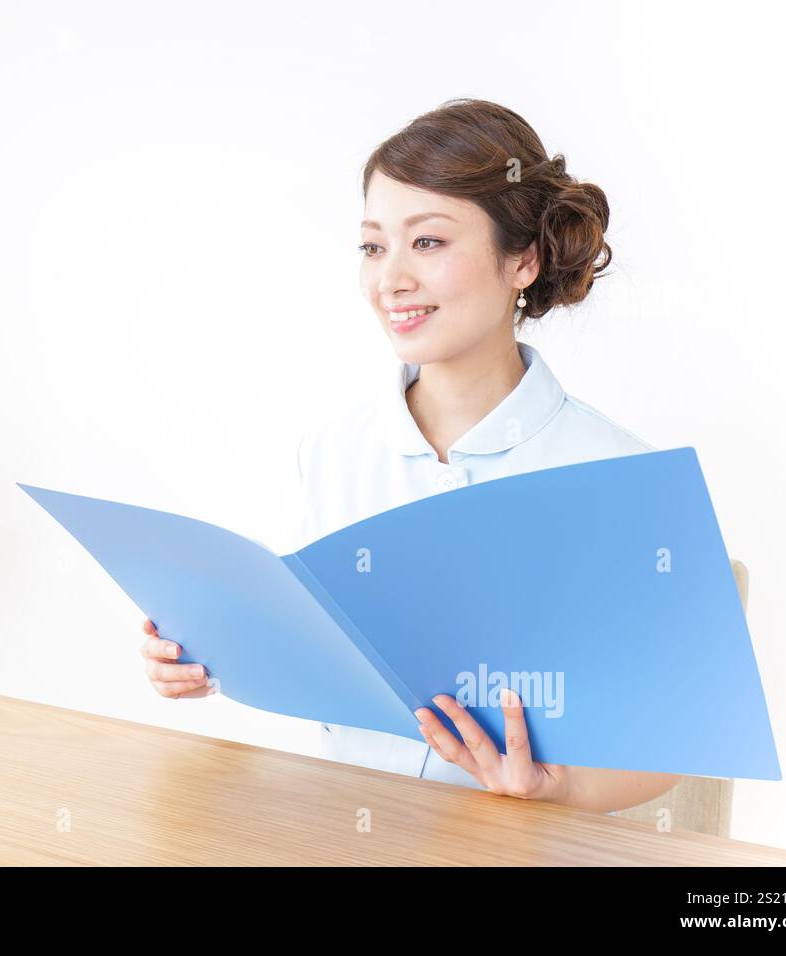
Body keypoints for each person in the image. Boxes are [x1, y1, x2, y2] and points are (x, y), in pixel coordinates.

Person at [140, 98, 682, 814]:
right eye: (373, 246)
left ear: (523, 258)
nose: (389, 279)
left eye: (427, 243)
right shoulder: (332, 453)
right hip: (342, 833)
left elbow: (674, 735)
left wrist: (561, 787)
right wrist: (204, 656)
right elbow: (311, 653)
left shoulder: (619, 478)